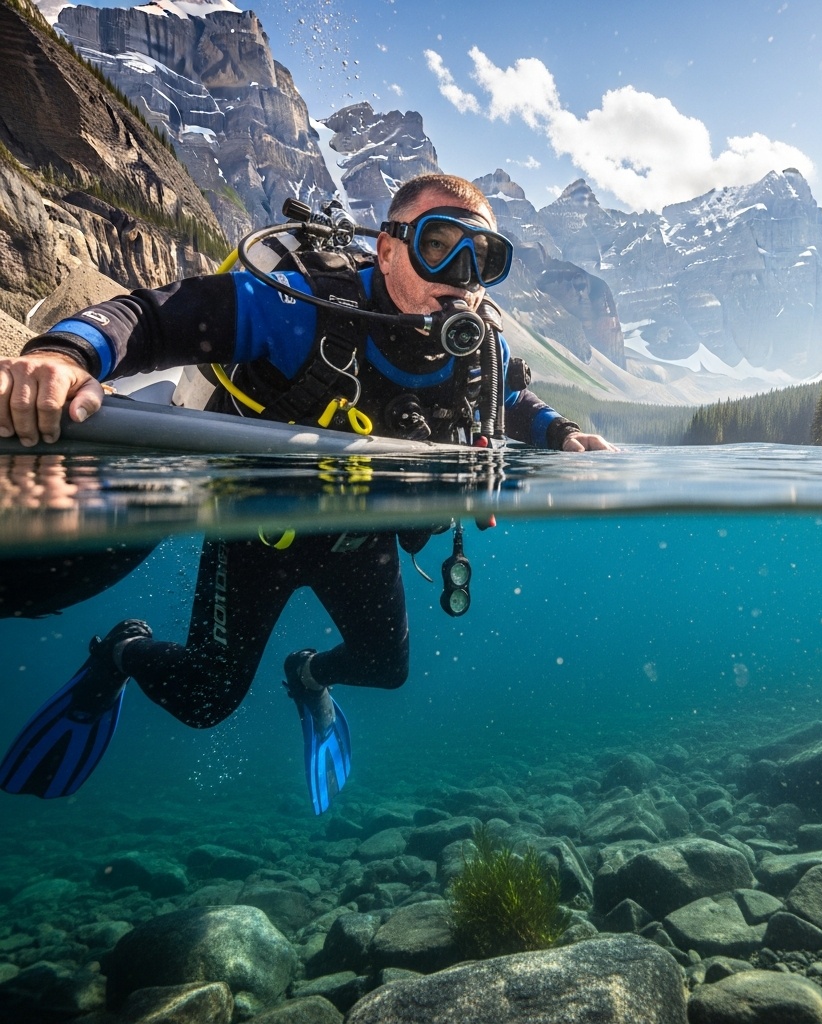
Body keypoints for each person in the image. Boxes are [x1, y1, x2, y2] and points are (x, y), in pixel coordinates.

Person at [0, 173, 614, 813]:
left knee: (386, 667)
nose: (462, 276)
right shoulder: (302, 307)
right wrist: (64, 355)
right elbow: (153, 317)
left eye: (483, 258)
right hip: (259, 533)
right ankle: (121, 652)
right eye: (439, 245)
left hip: (358, 538)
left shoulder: (478, 345)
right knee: (205, 700)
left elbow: (509, 398)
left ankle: (306, 675)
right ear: (387, 249)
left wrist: (563, 434)